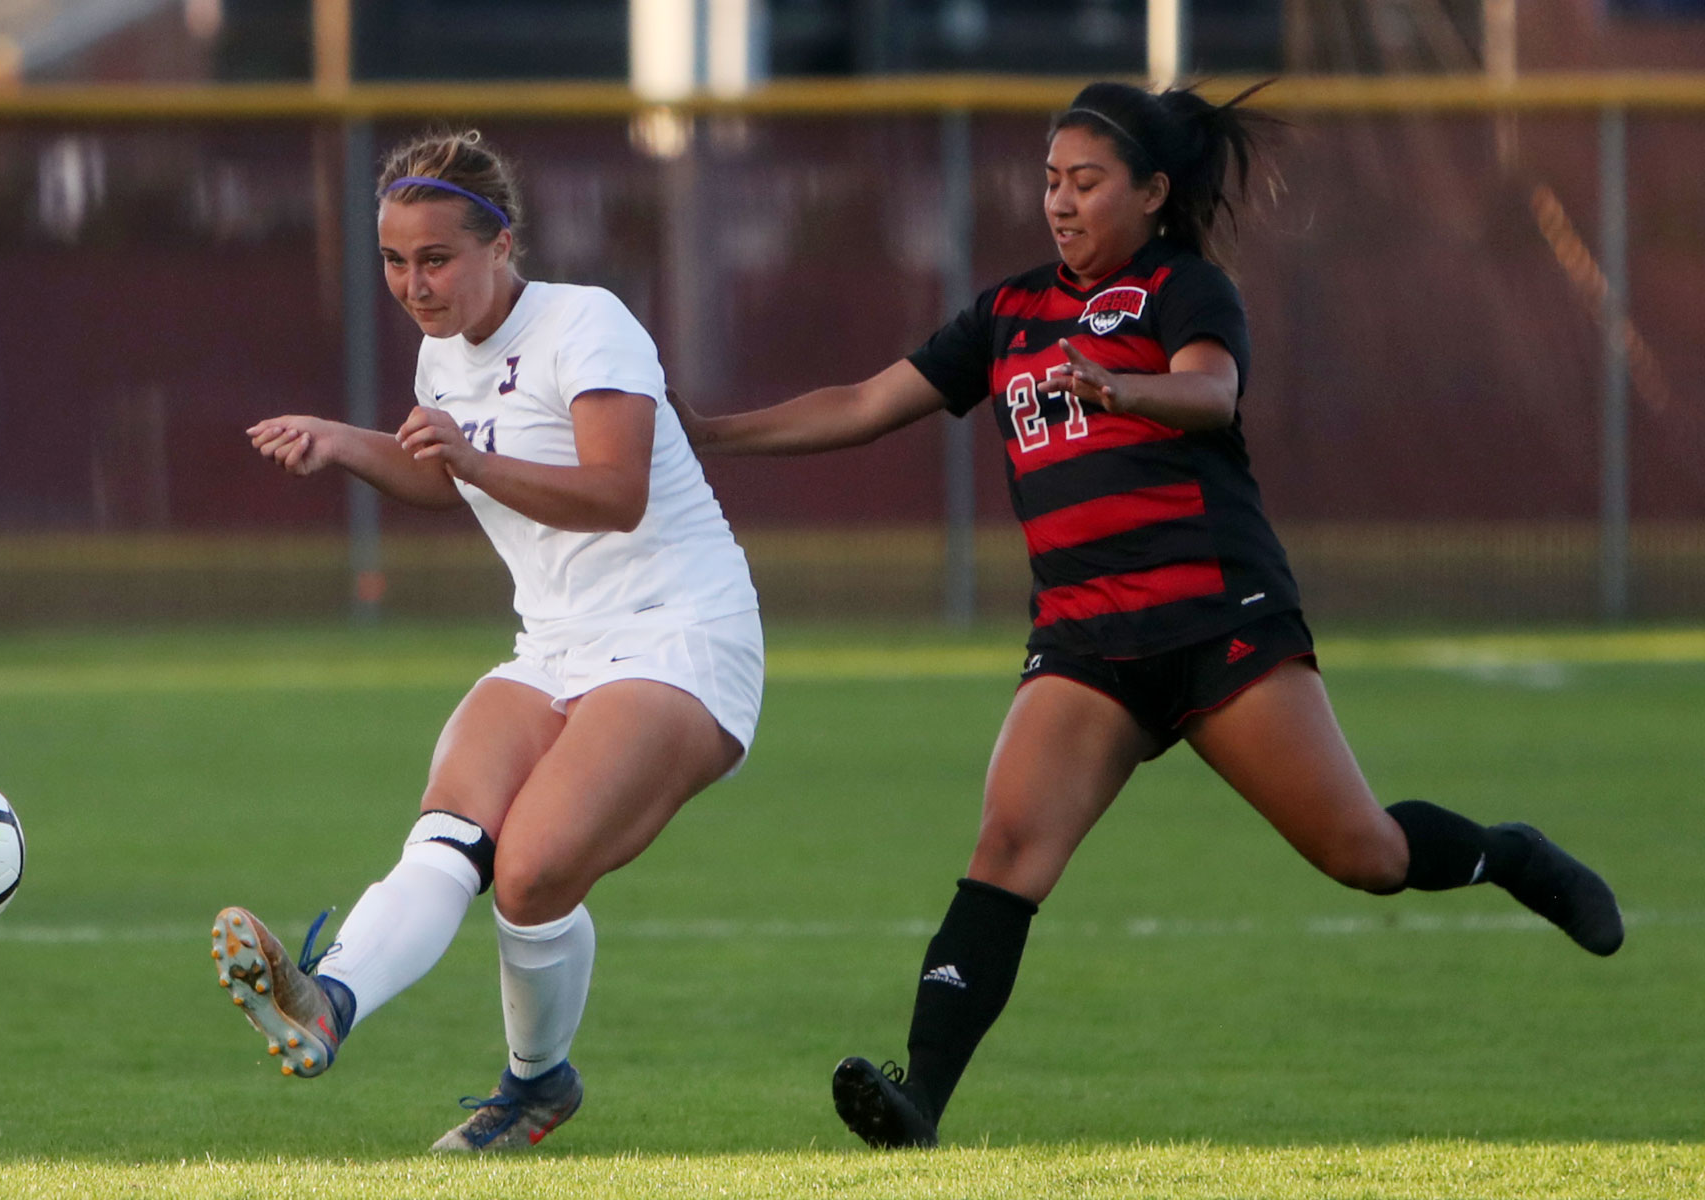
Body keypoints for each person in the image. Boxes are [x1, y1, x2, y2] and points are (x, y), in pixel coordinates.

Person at [669, 81, 1624, 1150]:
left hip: (1219, 625)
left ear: (1154, 192)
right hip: (1086, 644)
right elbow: (860, 404)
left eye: (1086, 181)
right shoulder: (1009, 313)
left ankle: (1513, 855)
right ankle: (920, 1101)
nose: (1061, 203)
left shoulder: (1185, 286)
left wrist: (1122, 390)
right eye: (1049, 181)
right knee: (1007, 850)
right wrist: (710, 431)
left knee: (1364, 855)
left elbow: (1211, 393)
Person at [221, 129, 763, 1153]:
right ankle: (326, 1000)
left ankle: (530, 1085)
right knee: (449, 836)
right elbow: (444, 473)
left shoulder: (585, 323)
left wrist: (464, 453)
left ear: (500, 245)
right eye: (392, 260)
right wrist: (349, 445)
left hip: (680, 636)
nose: (414, 284)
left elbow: (615, 492)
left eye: (436, 259)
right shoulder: (441, 356)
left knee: (531, 873)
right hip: (556, 641)